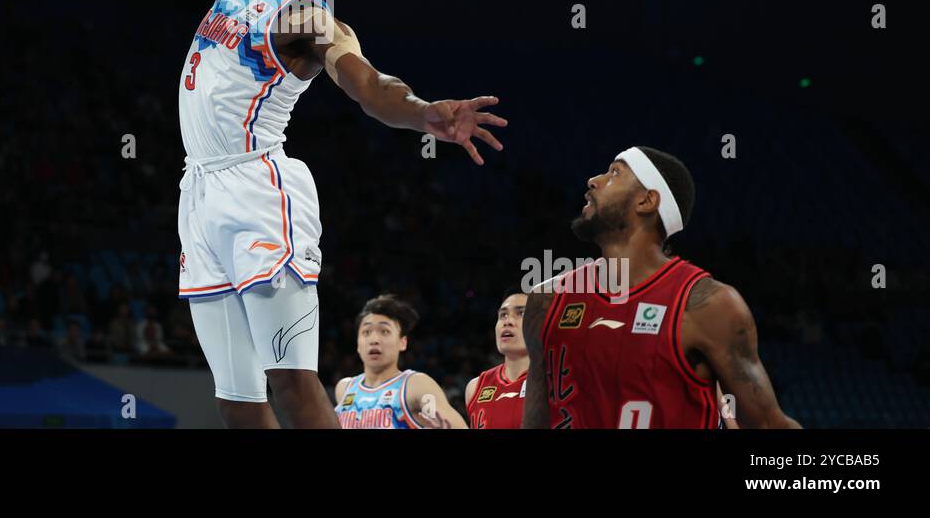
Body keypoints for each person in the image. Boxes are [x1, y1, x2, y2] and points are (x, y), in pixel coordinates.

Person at [178, 0, 506, 428]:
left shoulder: (310, 18)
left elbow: (369, 86)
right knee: (235, 397)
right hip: (200, 191)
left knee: (291, 383)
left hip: (260, 191)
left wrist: (425, 113)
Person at [521, 146, 801, 429]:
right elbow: (534, 422)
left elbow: (768, 424)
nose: (593, 180)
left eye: (615, 173)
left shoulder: (708, 304)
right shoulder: (547, 299)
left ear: (646, 201)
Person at [333, 295, 467, 429]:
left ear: (403, 342)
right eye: (366, 332)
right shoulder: (344, 388)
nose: (374, 340)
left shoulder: (415, 385)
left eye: (384, 331)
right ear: (358, 344)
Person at [465, 289, 528, 429]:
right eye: (503, 315)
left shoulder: (556, 381)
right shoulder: (475, 387)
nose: (508, 321)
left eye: (521, 313)